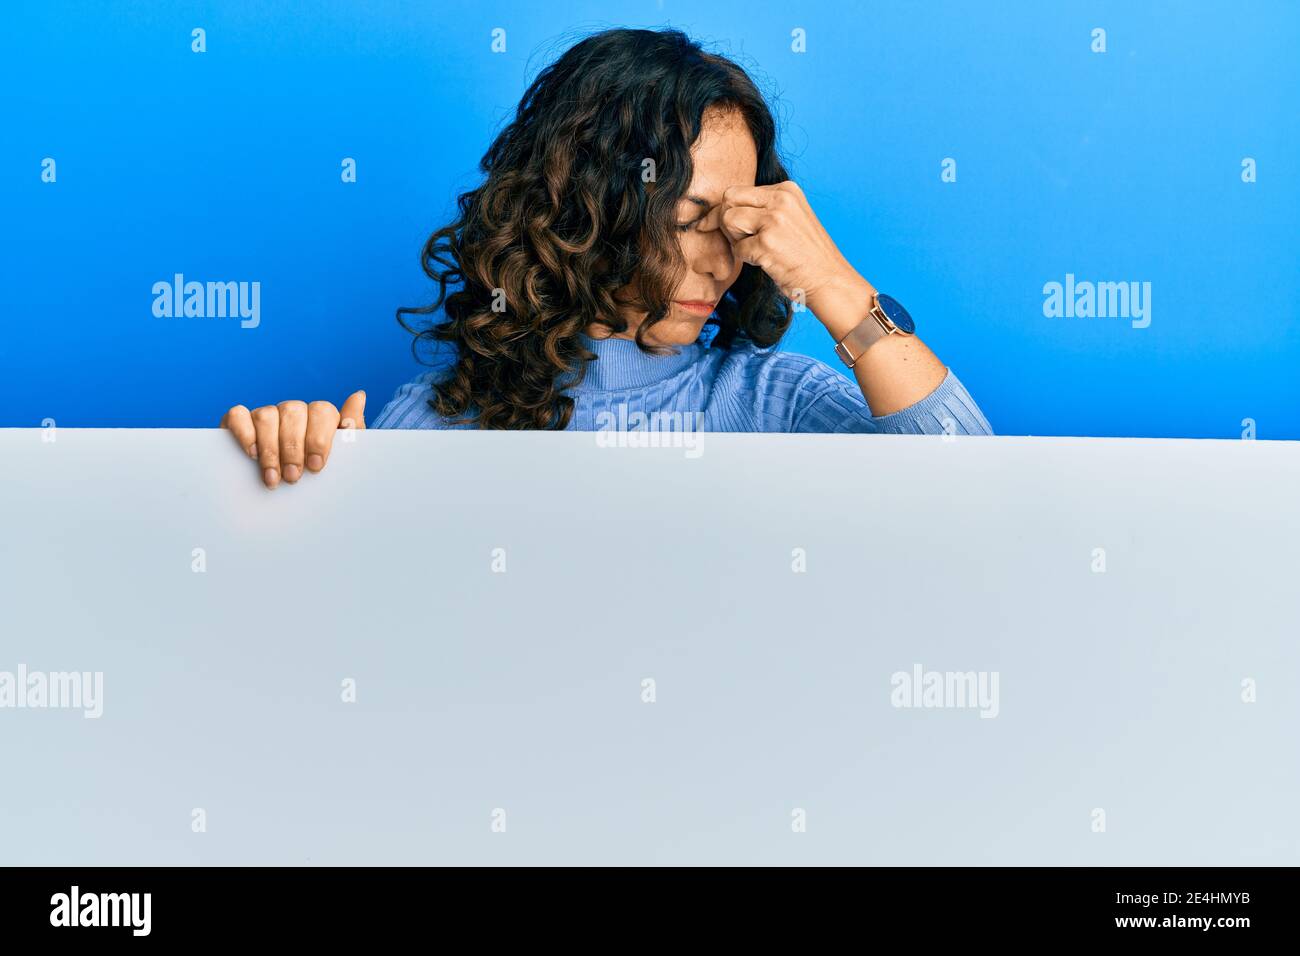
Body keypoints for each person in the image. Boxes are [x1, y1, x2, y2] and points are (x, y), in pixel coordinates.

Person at [221, 27, 993, 489]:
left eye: (738, 229)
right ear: (590, 212)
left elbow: (977, 497)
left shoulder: (774, 402)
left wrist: (833, 281)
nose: (723, 264)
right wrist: (300, 473)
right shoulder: (443, 421)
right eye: (692, 221)